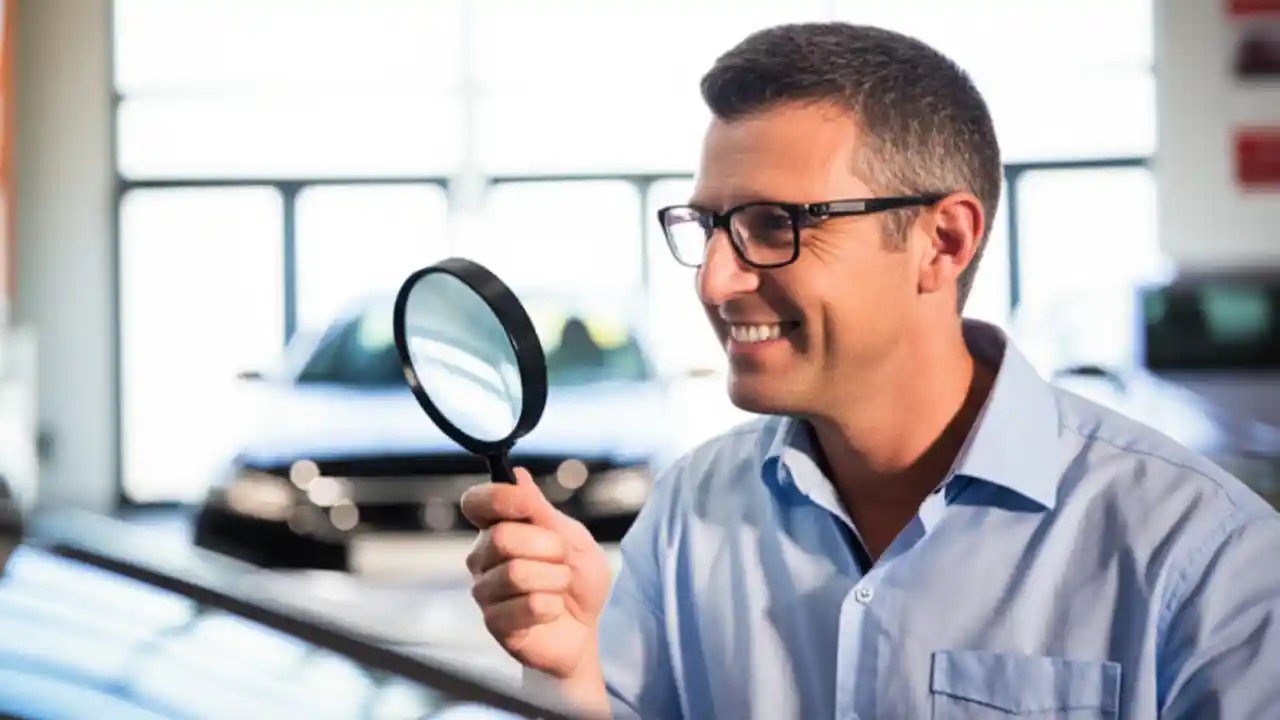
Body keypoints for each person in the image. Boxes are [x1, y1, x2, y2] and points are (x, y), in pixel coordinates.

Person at [460, 22, 1280, 719]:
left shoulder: (1199, 552)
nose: (713, 279)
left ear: (942, 243)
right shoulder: (690, 513)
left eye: (772, 224)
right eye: (707, 225)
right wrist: (569, 674)